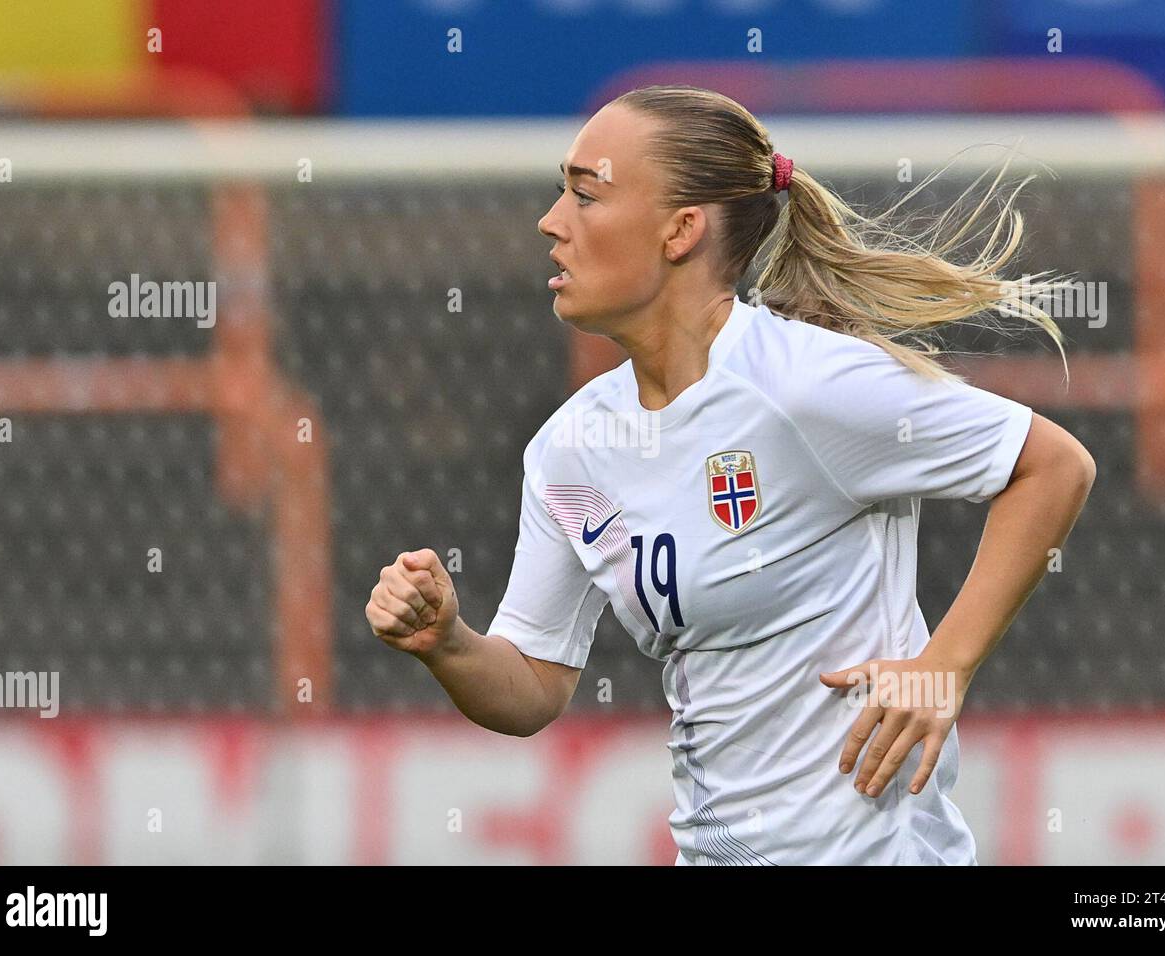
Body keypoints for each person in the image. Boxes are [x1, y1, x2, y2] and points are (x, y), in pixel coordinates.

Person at [366, 85, 1096, 865]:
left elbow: (1051, 465)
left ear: (681, 230)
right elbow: (533, 685)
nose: (552, 222)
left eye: (585, 194)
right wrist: (448, 644)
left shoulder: (804, 388)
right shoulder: (570, 449)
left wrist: (942, 670)